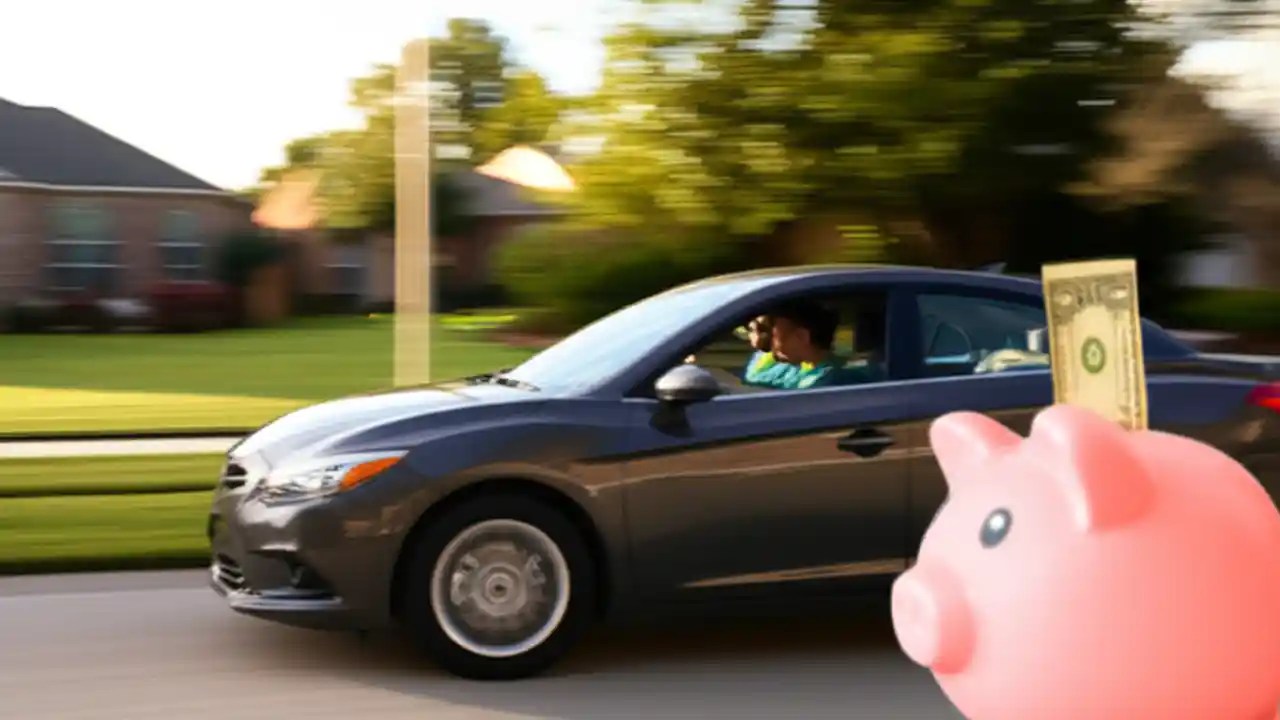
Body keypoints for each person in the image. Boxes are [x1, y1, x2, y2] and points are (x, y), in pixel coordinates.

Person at [744, 301, 843, 390]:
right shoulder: (793, 367)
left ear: (802, 336)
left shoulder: (828, 381)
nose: (771, 345)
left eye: (774, 336)